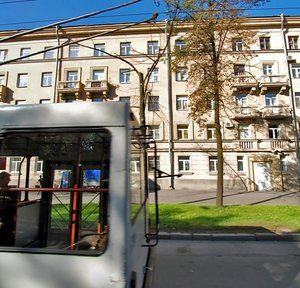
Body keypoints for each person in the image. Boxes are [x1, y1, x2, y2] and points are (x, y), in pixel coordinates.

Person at [0, 171, 18, 246]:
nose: (9, 180)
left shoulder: (11, 191)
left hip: (8, 217)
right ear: (1, 179)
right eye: (7, 179)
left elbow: (15, 202)